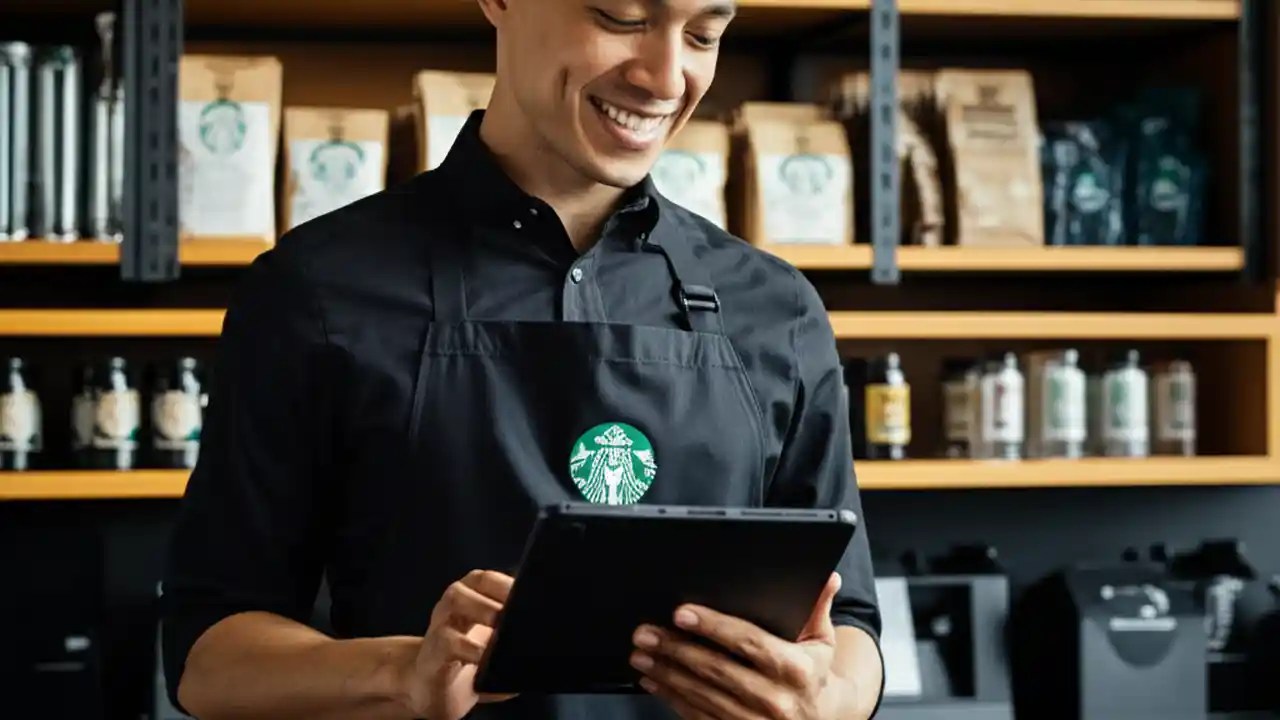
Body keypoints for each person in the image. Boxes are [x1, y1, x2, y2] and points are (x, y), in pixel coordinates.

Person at [160, 0, 885, 718]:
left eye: (703, 34)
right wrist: (403, 671)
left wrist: (825, 698)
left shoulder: (777, 309)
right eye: (622, 18)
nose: (668, 78)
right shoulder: (315, 291)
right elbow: (207, 656)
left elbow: (850, 626)